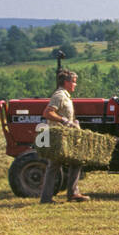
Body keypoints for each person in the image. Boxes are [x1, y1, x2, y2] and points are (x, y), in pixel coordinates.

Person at [40, 69, 89, 203]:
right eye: (74, 82)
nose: (75, 85)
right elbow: (48, 113)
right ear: (66, 82)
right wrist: (64, 121)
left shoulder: (66, 96)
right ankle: (46, 198)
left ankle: (72, 193)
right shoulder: (59, 96)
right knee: (54, 165)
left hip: (66, 136)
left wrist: (73, 122)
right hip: (59, 136)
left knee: (76, 161)